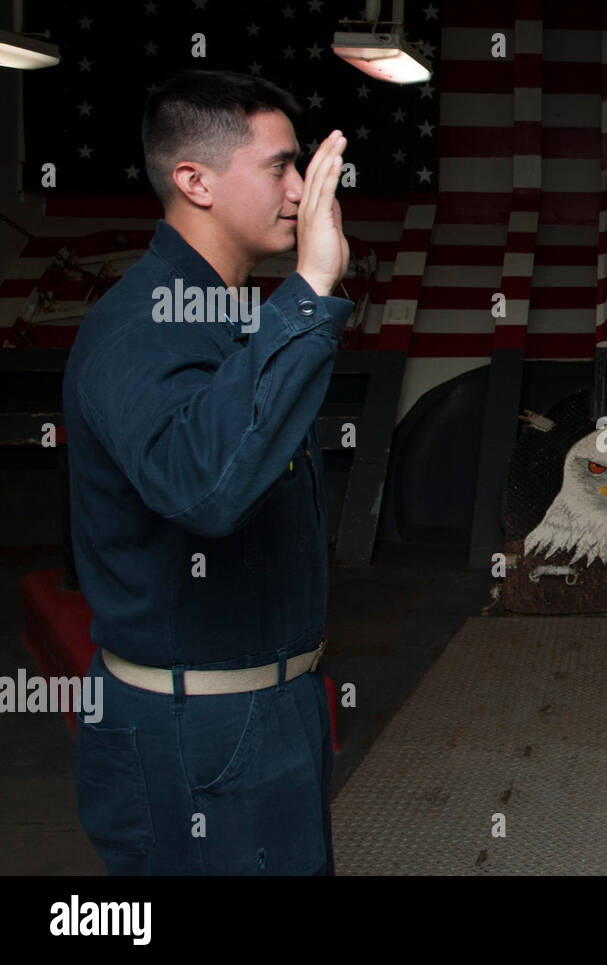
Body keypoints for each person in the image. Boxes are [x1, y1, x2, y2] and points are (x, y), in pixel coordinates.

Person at [63, 69, 353, 874]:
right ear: (193, 181)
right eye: (279, 167)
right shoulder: (136, 328)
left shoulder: (232, 316)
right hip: (193, 728)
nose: (301, 190)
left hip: (276, 705)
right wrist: (312, 285)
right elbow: (204, 489)